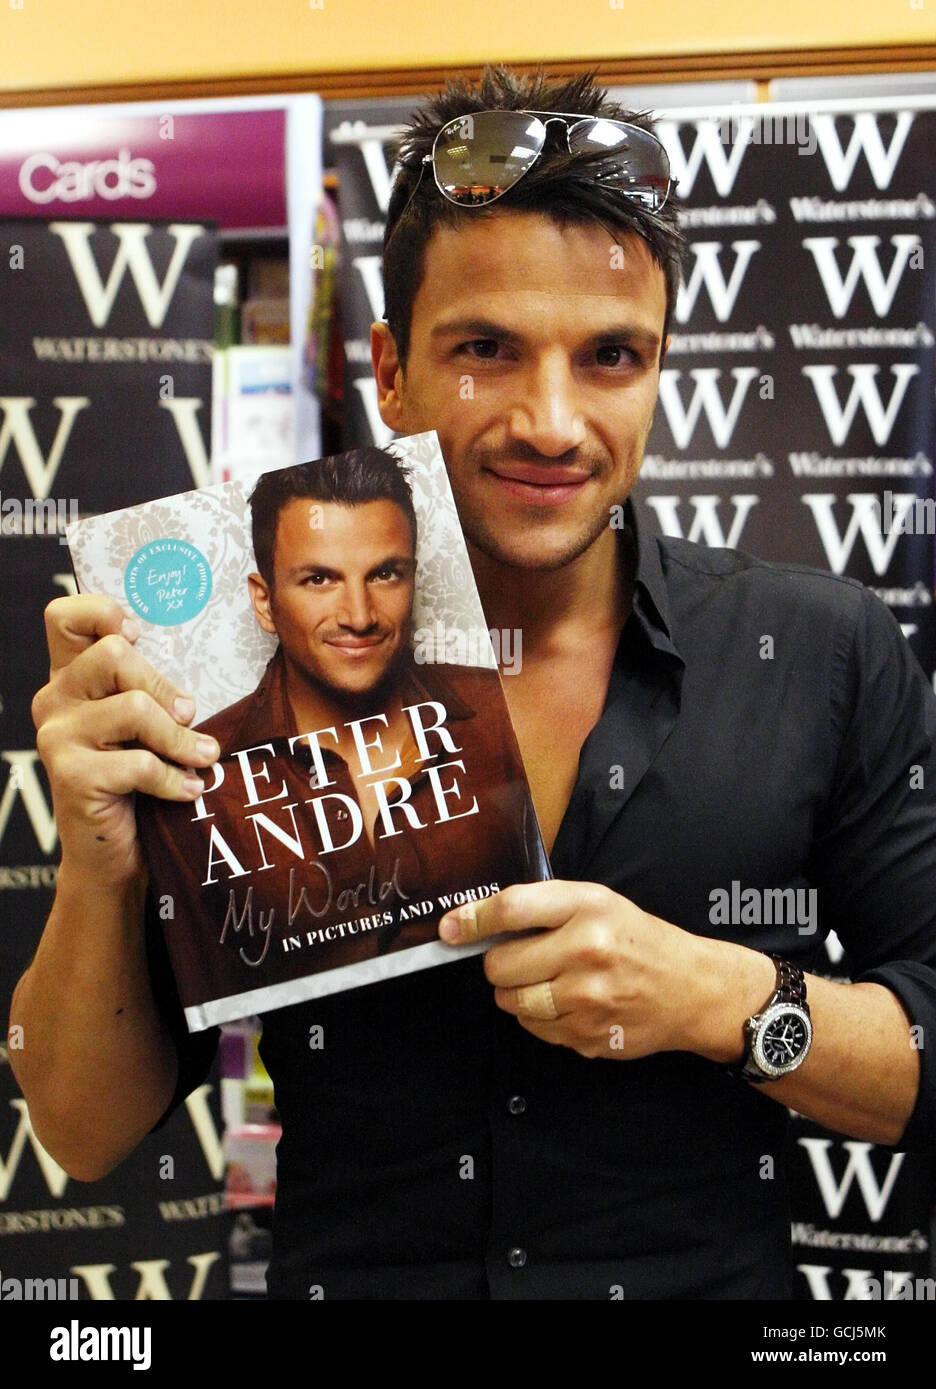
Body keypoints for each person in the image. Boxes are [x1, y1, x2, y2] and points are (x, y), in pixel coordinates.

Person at [12, 64, 936, 1299]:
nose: (551, 421)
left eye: (611, 355)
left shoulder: (823, 650)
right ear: (391, 368)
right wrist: (99, 849)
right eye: (487, 350)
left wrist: (721, 996)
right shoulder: (227, 669)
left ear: (659, 371)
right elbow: (80, 1128)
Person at [135, 448, 545, 1021]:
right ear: (265, 601)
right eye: (320, 579)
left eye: (384, 573)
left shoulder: (495, 711)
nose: (359, 614)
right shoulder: (198, 776)